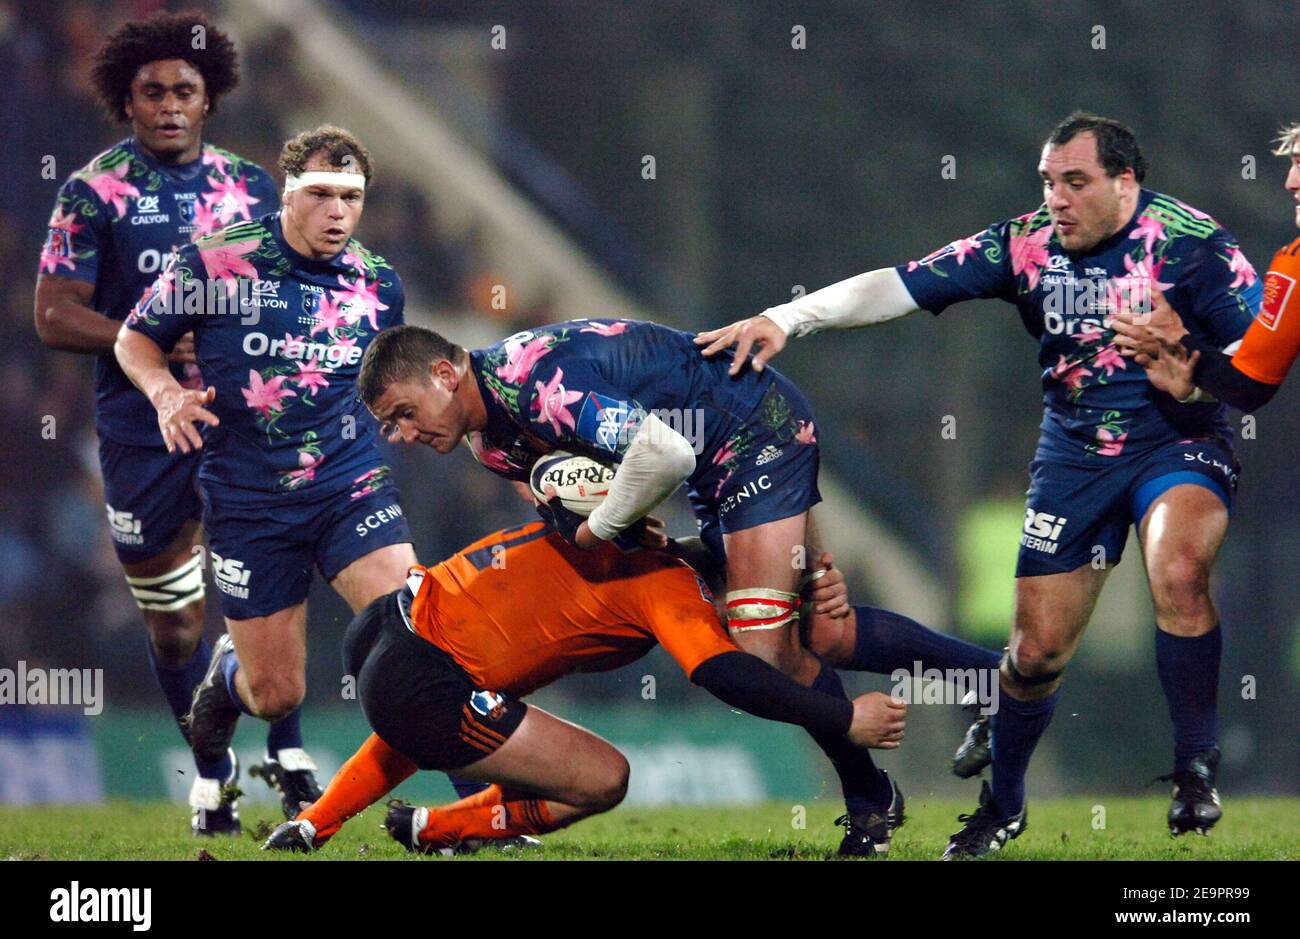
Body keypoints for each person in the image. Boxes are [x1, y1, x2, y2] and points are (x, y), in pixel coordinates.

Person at [694, 112, 1263, 856]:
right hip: (1074, 457)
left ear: (1127, 184)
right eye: (1049, 182)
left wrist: (1191, 368)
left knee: (1178, 568)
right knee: (1032, 659)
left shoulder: (1196, 247)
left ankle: (1194, 766)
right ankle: (1004, 806)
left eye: (1076, 182)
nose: (1056, 199)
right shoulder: (1024, 245)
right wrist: (788, 317)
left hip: (1178, 441)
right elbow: (900, 285)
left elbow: (1259, 361)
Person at [356, 318, 937, 855]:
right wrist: (615, 524)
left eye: (403, 413)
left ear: (443, 374)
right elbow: (578, 496)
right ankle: (988, 692)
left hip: (751, 426)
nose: (401, 434)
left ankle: (997, 690)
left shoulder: (538, 387)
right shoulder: (491, 441)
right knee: (813, 629)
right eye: (389, 426)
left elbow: (664, 452)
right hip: (705, 467)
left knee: (772, 645)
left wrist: (601, 527)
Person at [33, 10, 297, 835]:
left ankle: (289, 759)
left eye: (186, 89)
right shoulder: (93, 192)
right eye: (153, 91)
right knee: (178, 624)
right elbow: (49, 313)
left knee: (266, 587)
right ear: (127, 100)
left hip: (240, 419)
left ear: (209, 97)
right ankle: (213, 771)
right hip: (143, 427)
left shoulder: (254, 191)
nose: (171, 104)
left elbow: (296, 292)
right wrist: (137, 334)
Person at [262, 522, 906, 855]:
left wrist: (318, 823)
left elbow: (410, 721)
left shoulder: (619, 531)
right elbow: (720, 673)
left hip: (389, 626)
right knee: (603, 778)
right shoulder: (672, 583)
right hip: (416, 672)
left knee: (434, 715)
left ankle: (312, 827)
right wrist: (842, 718)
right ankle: (438, 830)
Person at [114, 125, 414, 822]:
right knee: (274, 691)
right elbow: (135, 337)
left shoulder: (379, 284)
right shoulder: (216, 264)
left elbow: (385, 378)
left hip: (347, 483)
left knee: (415, 628)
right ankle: (226, 680)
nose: (336, 211)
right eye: (319, 194)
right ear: (286, 193)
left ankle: (480, 817)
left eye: (351, 196)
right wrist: (165, 393)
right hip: (248, 500)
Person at [1113, 122, 1300, 410]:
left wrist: (1176, 337)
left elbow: (1249, 388)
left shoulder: (1295, 265)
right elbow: (1247, 386)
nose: (1291, 182)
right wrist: (1191, 387)